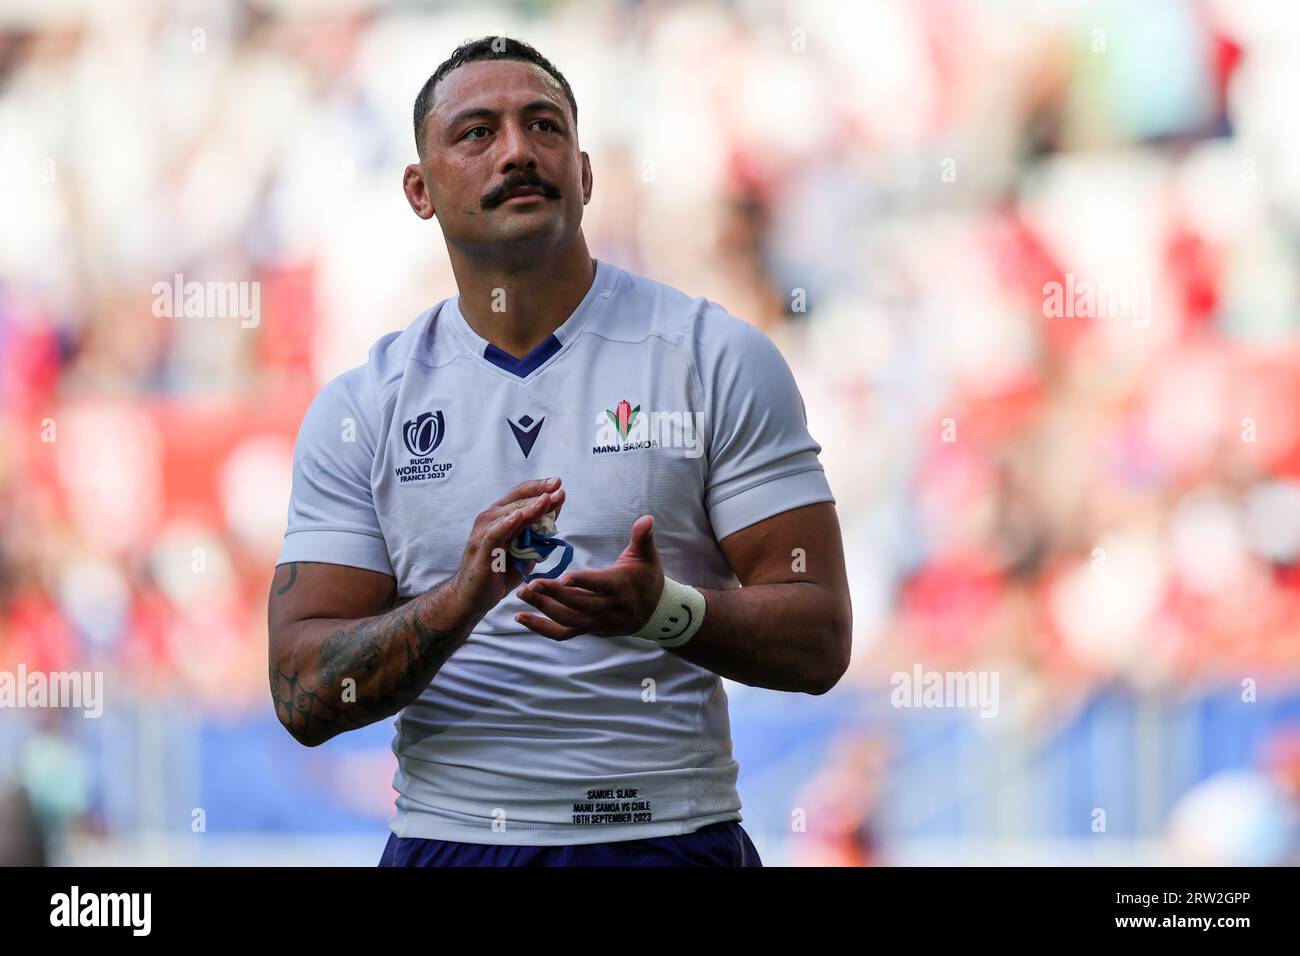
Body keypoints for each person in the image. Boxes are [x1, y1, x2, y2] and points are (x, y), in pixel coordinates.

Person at [267, 36, 851, 867]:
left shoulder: (713, 356)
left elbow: (821, 637)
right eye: (476, 132)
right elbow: (301, 692)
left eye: (542, 126)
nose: (515, 150)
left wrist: (664, 611)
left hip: (665, 839)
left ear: (582, 175)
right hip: (454, 839)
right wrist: (456, 601)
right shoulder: (364, 405)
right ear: (418, 189)